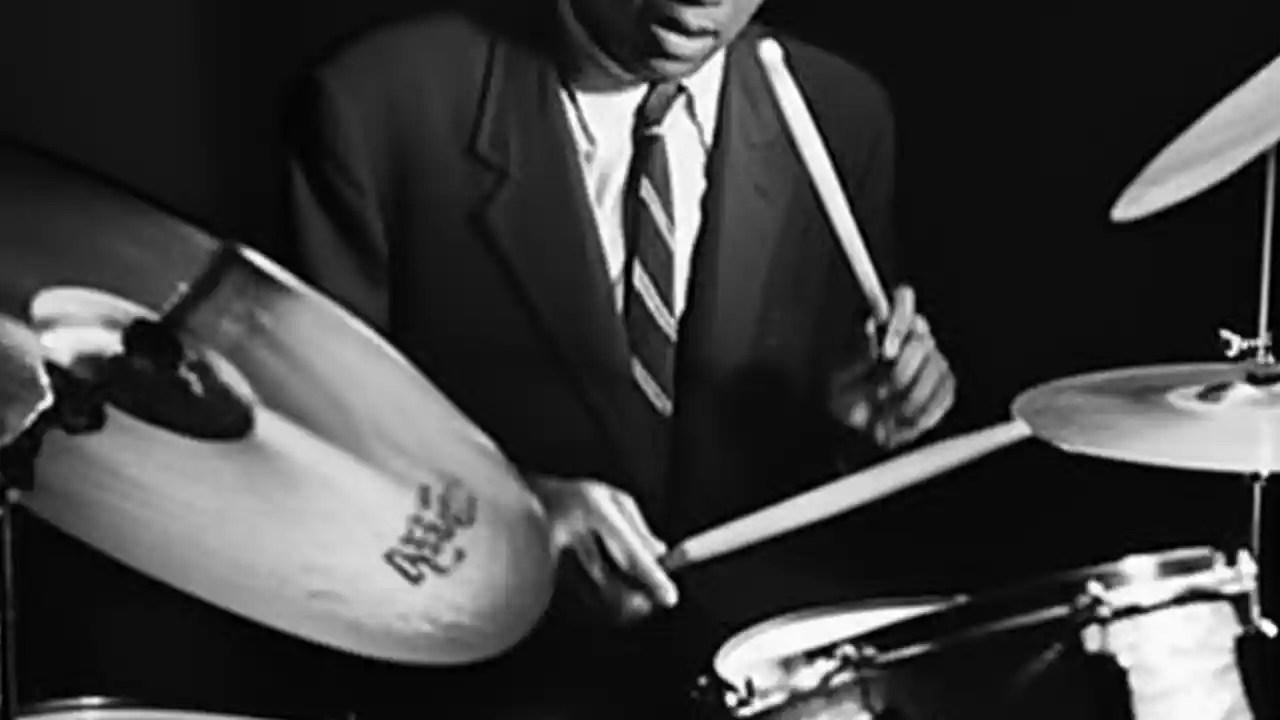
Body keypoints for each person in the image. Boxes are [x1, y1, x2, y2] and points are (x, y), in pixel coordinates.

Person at [281, 0, 955, 717]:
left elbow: (827, 491)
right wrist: (508, 521)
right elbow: (305, 453)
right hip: (487, 683)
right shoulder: (376, 102)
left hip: (749, 676)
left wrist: (863, 425)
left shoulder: (842, 111)